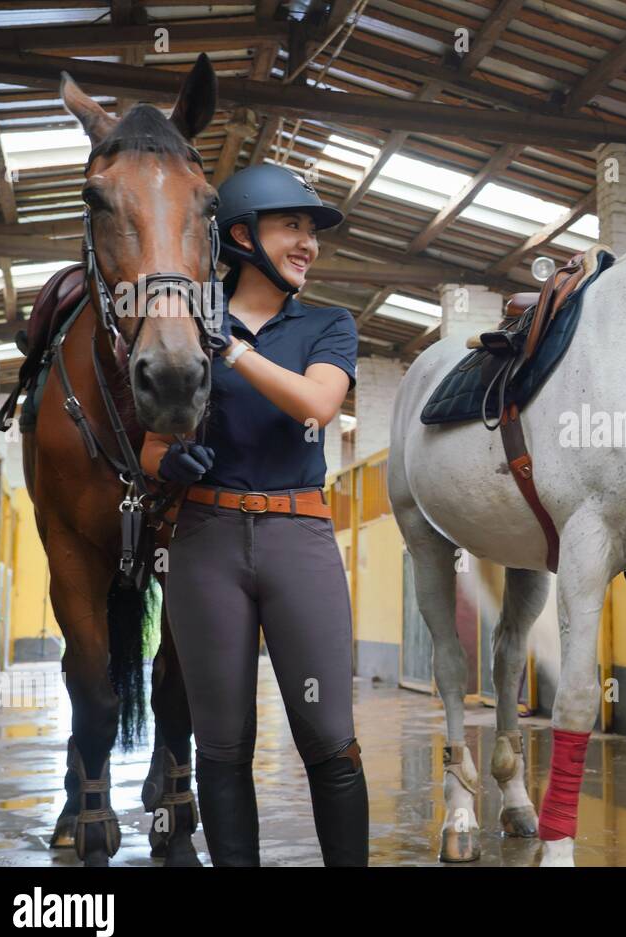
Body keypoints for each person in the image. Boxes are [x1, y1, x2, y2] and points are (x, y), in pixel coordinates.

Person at [142, 163, 368, 866]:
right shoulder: (181, 323)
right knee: (222, 741)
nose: (309, 243)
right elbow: (153, 443)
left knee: (329, 733)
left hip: (298, 536)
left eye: (312, 230)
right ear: (243, 234)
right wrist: (167, 463)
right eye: (292, 226)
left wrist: (233, 348)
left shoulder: (329, 324)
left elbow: (318, 404)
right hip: (206, 541)